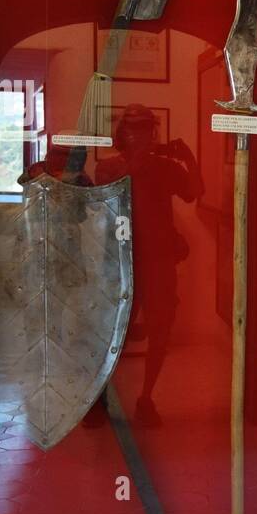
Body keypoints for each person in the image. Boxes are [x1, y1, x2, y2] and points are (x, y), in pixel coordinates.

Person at [91, 104, 204, 427]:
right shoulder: (109, 168)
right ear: (122, 133)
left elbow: (194, 192)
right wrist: (141, 160)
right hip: (121, 260)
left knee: (160, 331)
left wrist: (189, 159)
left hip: (158, 261)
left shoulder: (163, 167)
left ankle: (145, 399)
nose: (138, 135)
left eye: (144, 129)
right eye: (132, 129)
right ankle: (103, 398)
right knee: (112, 332)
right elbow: (106, 196)